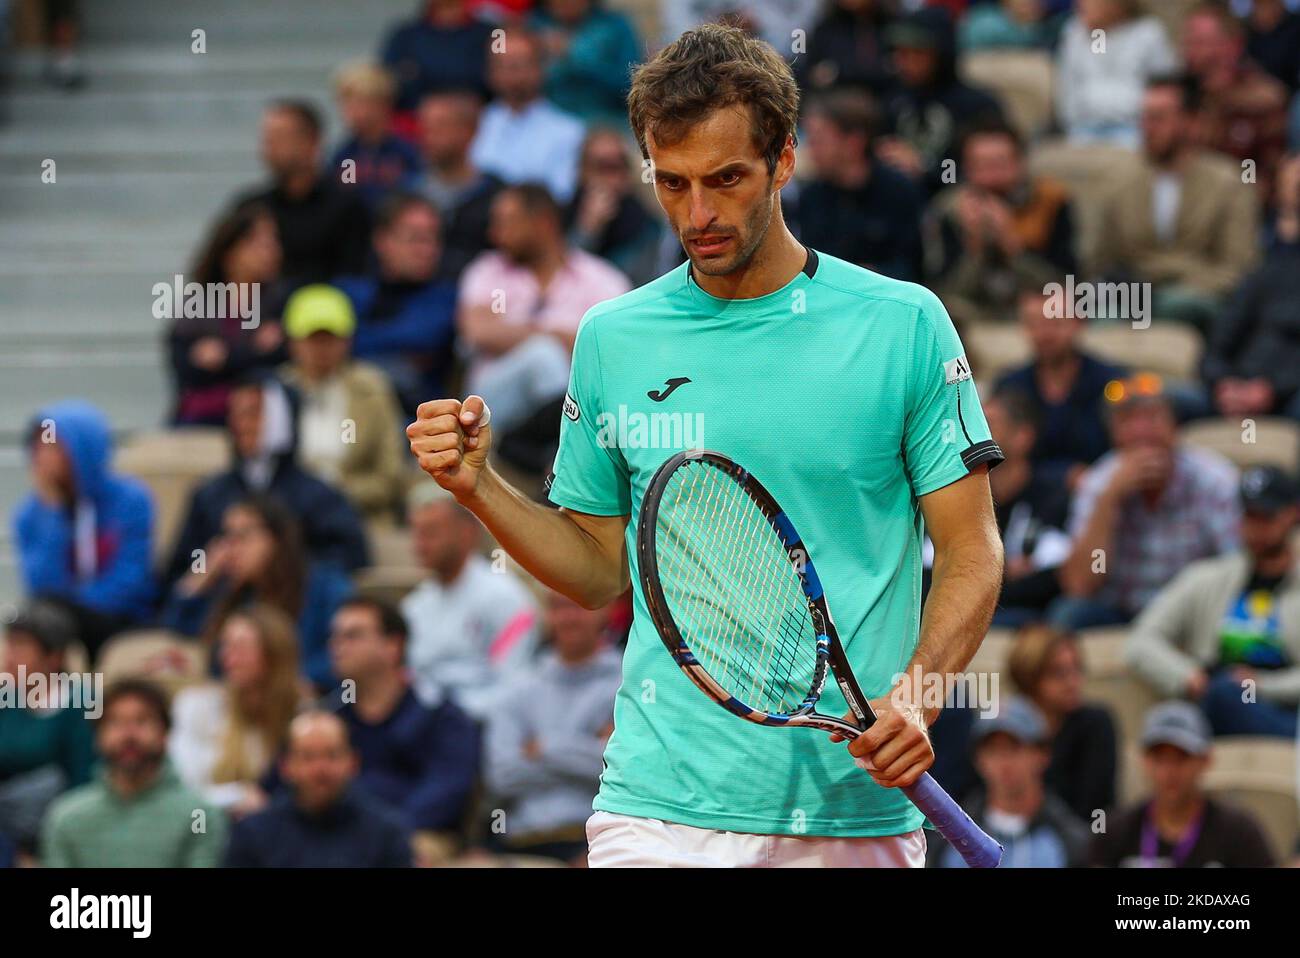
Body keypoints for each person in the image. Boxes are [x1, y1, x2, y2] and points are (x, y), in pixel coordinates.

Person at [408, 24, 1006, 868]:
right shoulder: (614, 336)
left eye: (726, 180)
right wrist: (480, 489)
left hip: (848, 817)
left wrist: (916, 695)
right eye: (673, 182)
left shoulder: (903, 324)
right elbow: (595, 569)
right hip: (655, 803)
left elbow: (972, 547)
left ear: (784, 160)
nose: (699, 214)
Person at [1055, 373, 1240, 629]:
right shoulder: (1099, 483)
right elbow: (1078, 586)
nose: (1142, 431)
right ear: (1113, 434)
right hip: (1120, 610)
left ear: (1174, 426)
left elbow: (1237, 570)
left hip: (1190, 615)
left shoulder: (1214, 480)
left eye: (1153, 417)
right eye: (1127, 421)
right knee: (1068, 613)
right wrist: (1109, 501)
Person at [1127, 466, 1300, 738]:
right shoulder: (1206, 578)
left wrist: (1261, 685)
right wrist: (1188, 676)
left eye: (1266, 517)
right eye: (1248, 516)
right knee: (1222, 695)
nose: (1255, 528)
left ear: (1293, 514)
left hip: (1285, 704)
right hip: (1222, 703)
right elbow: (1139, 642)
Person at [457, 182, 630, 439]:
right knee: (543, 356)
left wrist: (517, 333)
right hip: (490, 401)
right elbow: (480, 332)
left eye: (506, 223)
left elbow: (614, 350)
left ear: (543, 223)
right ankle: (569, 444)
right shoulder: (490, 272)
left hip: (578, 392)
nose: (495, 234)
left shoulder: (600, 279)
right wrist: (557, 337)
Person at [164, 375, 369, 587]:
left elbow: (347, 558)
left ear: (281, 420)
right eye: (235, 414)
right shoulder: (210, 493)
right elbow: (183, 567)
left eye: (253, 413)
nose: (241, 424)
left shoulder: (317, 495)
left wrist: (280, 564)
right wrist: (206, 567)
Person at [1095, 76, 1260, 331]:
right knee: (1097, 311)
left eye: (1158, 118)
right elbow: (1101, 261)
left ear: (1191, 123)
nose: (1147, 128)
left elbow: (1240, 269)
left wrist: (1174, 283)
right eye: (1144, 118)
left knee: (1179, 304)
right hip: (1132, 297)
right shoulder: (1119, 183)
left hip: (1199, 299)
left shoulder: (1229, 183)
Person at [327, 597, 480, 845]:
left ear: (393, 646)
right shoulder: (331, 718)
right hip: (339, 838)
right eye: (335, 636)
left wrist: (381, 834)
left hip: (417, 836)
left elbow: (447, 792)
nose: (337, 646)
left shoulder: (440, 716)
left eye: (352, 636)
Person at [161, 496, 354, 691]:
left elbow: (348, 650)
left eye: (242, 536)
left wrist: (290, 680)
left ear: (277, 539)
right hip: (246, 704)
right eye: (226, 537)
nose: (230, 549)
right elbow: (177, 626)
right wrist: (200, 574)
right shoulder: (236, 594)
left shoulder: (324, 584)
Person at [485, 590, 621, 862]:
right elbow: (501, 776)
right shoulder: (518, 688)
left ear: (605, 611)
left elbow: (621, 770)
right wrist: (590, 750)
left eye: (579, 606)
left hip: (595, 841)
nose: (568, 618)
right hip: (518, 839)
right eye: (558, 607)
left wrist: (545, 748)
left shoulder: (627, 685)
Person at [13, 400, 154, 658]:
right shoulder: (31, 514)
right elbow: (41, 586)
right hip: (62, 620)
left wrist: (78, 606)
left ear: (82, 447)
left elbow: (131, 578)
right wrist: (54, 514)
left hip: (120, 618)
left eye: (52, 445)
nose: (41, 456)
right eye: (38, 446)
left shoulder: (131, 499)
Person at [41, 680, 228, 867]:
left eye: (142, 721)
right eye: (115, 722)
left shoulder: (200, 815)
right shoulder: (65, 818)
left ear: (165, 733)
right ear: (97, 737)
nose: (129, 734)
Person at [400, 484, 540, 718]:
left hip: (482, 728)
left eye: (431, 532)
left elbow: (515, 686)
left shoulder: (505, 598)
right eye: (416, 532)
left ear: (467, 532)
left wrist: (450, 716)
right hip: (423, 728)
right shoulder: (414, 606)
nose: (420, 544)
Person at [277, 285, 409, 523]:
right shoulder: (276, 390)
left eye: (331, 338)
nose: (321, 348)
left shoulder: (373, 389)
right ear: (293, 341)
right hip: (288, 523)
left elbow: (391, 476)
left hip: (360, 519)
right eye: (312, 338)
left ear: (348, 340)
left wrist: (334, 492)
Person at [925, 117, 1076, 325]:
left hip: (1034, 314)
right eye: (980, 166)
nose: (990, 177)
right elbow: (943, 294)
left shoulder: (1051, 202)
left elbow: (1064, 286)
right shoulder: (948, 211)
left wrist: (1011, 245)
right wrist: (974, 247)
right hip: (973, 317)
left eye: (999, 164)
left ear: (1020, 163)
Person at [1091, 701, 1276, 867]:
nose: (1169, 771)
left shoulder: (1240, 833)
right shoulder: (1115, 831)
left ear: (1205, 760)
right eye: (1159, 758)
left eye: (1182, 757)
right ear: (1144, 761)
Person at [223, 711, 412, 867]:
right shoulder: (253, 834)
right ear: (285, 767)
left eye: (332, 755)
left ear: (353, 762)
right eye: (307, 757)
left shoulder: (386, 833)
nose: (320, 769)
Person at [168, 605, 302, 816]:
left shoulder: (302, 716)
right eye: (225, 646)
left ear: (274, 654)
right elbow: (184, 793)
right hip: (214, 829)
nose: (226, 658)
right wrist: (238, 796)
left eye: (240, 648)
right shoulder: (196, 707)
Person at [333, 192, 459, 415]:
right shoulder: (349, 292)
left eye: (433, 239)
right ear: (382, 241)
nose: (427, 250)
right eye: (416, 239)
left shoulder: (446, 299)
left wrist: (353, 342)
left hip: (416, 424)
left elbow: (422, 336)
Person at [930, 697, 1089, 868]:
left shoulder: (1072, 840)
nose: (1003, 762)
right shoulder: (947, 839)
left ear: (1042, 755)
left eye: (1014, 747)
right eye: (992, 750)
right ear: (977, 760)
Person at [169, 202, 290, 426]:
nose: (272, 251)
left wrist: (223, 357)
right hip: (200, 417)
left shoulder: (283, 302)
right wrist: (252, 351)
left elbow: (278, 361)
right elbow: (185, 368)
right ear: (231, 251)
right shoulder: (200, 301)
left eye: (274, 242)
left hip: (259, 420)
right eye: (260, 243)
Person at [995, 285, 1124, 489]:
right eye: (1033, 324)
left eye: (1054, 323)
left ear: (1079, 323)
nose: (1043, 334)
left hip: (1101, 493)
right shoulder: (1009, 386)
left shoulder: (1112, 380)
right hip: (1024, 498)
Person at [1203, 153, 1300, 419]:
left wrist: (1273, 389)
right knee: (1166, 399)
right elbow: (1220, 338)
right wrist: (1223, 383)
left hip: (1289, 394)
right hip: (1235, 385)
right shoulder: (1267, 270)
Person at [233, 100, 370, 286]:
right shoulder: (252, 208)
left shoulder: (347, 208)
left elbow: (358, 276)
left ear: (311, 142)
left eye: (279, 138)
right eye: (267, 139)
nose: (268, 148)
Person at [796, 87, 923, 282]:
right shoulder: (811, 196)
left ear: (853, 142)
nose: (811, 150)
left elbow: (912, 265)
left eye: (819, 141)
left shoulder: (899, 191)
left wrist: (868, 276)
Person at [0, 601, 95, 855]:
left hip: (57, 829)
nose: (9, 655)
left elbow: (83, 781)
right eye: (9, 643)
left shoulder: (81, 703)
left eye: (21, 646)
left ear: (54, 657)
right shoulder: (5, 698)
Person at [877, 6, 1005, 193]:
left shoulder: (976, 107)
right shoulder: (893, 101)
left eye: (916, 52)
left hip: (955, 200)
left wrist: (925, 167)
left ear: (941, 53)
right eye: (900, 52)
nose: (904, 61)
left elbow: (965, 174)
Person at [1182, 2, 1289, 203]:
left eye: (1201, 42)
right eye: (1188, 42)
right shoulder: (1179, 97)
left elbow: (1265, 178)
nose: (1191, 52)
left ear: (1233, 45)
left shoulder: (1262, 102)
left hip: (1238, 206)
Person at [1008, 625, 1117, 819]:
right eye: (1058, 672)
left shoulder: (1096, 724)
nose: (1072, 681)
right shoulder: (1005, 728)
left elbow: (1096, 809)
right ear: (1030, 676)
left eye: (1077, 669)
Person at [469, 30, 587, 205]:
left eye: (521, 64)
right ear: (490, 71)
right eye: (503, 65)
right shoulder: (474, 124)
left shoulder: (570, 131)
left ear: (541, 68)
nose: (513, 74)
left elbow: (561, 196)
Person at [984, 391, 1071, 625]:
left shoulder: (1052, 498)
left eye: (988, 423)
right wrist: (1006, 572)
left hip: (1026, 617)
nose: (974, 431)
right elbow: (929, 571)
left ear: (1023, 437)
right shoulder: (962, 495)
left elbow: (1054, 578)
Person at [1055, 0, 1177, 147]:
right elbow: (1068, 92)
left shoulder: (1148, 33)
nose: (1081, 4)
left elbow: (1165, 88)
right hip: (1083, 130)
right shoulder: (1077, 32)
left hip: (1135, 131)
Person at [414, 90, 505, 279]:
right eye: (425, 127)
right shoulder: (408, 193)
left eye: (440, 127)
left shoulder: (498, 196)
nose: (429, 136)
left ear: (470, 131)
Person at [565, 127, 664, 288]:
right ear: (583, 171)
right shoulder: (564, 214)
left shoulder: (646, 223)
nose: (610, 178)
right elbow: (562, 280)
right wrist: (588, 231)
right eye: (601, 166)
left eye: (617, 166)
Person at [328, 61, 423, 212]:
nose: (352, 112)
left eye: (361, 103)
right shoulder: (346, 156)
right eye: (347, 104)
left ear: (384, 104)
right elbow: (345, 195)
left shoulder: (406, 152)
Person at [529, 0, 642, 125]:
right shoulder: (533, 26)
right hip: (546, 123)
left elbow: (631, 84)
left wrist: (574, 56)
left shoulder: (615, 26)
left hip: (608, 123)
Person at [380, 0, 493, 116]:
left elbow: (502, 76)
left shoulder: (493, 33)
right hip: (415, 123)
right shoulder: (404, 36)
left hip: (484, 120)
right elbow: (385, 82)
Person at [794, 0, 898, 98]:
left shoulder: (892, 26)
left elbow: (893, 71)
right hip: (831, 99)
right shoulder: (827, 28)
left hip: (883, 101)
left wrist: (838, 72)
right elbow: (807, 72)